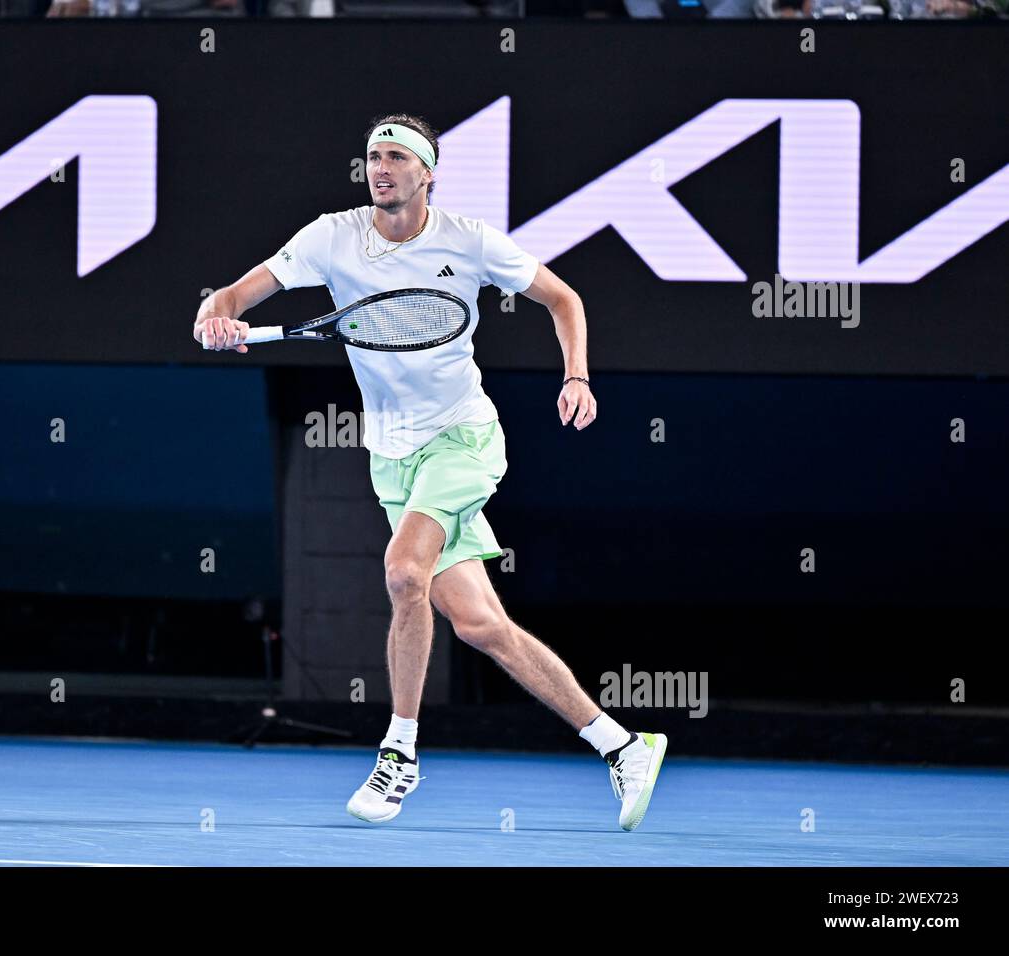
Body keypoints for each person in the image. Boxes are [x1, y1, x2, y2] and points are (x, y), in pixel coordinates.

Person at [195, 113, 667, 830]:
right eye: (371, 156)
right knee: (482, 626)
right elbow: (234, 295)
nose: (379, 167)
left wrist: (577, 376)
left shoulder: (470, 240)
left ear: (426, 174)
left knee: (404, 574)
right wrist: (218, 316)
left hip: (463, 440)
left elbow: (563, 298)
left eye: (395, 156)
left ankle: (400, 753)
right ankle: (623, 745)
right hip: (392, 457)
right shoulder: (331, 235)